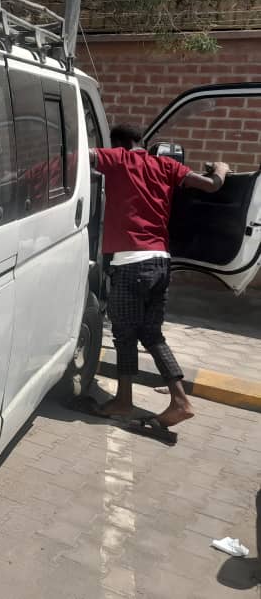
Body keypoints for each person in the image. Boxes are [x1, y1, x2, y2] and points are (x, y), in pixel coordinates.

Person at [89, 123, 229, 438]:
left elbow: (81, 158)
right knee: (152, 335)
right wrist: (222, 168)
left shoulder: (120, 159)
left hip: (130, 264)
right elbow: (211, 185)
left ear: (121, 144)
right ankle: (179, 401)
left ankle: (124, 401)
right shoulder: (167, 165)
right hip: (160, 264)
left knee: (124, 335)